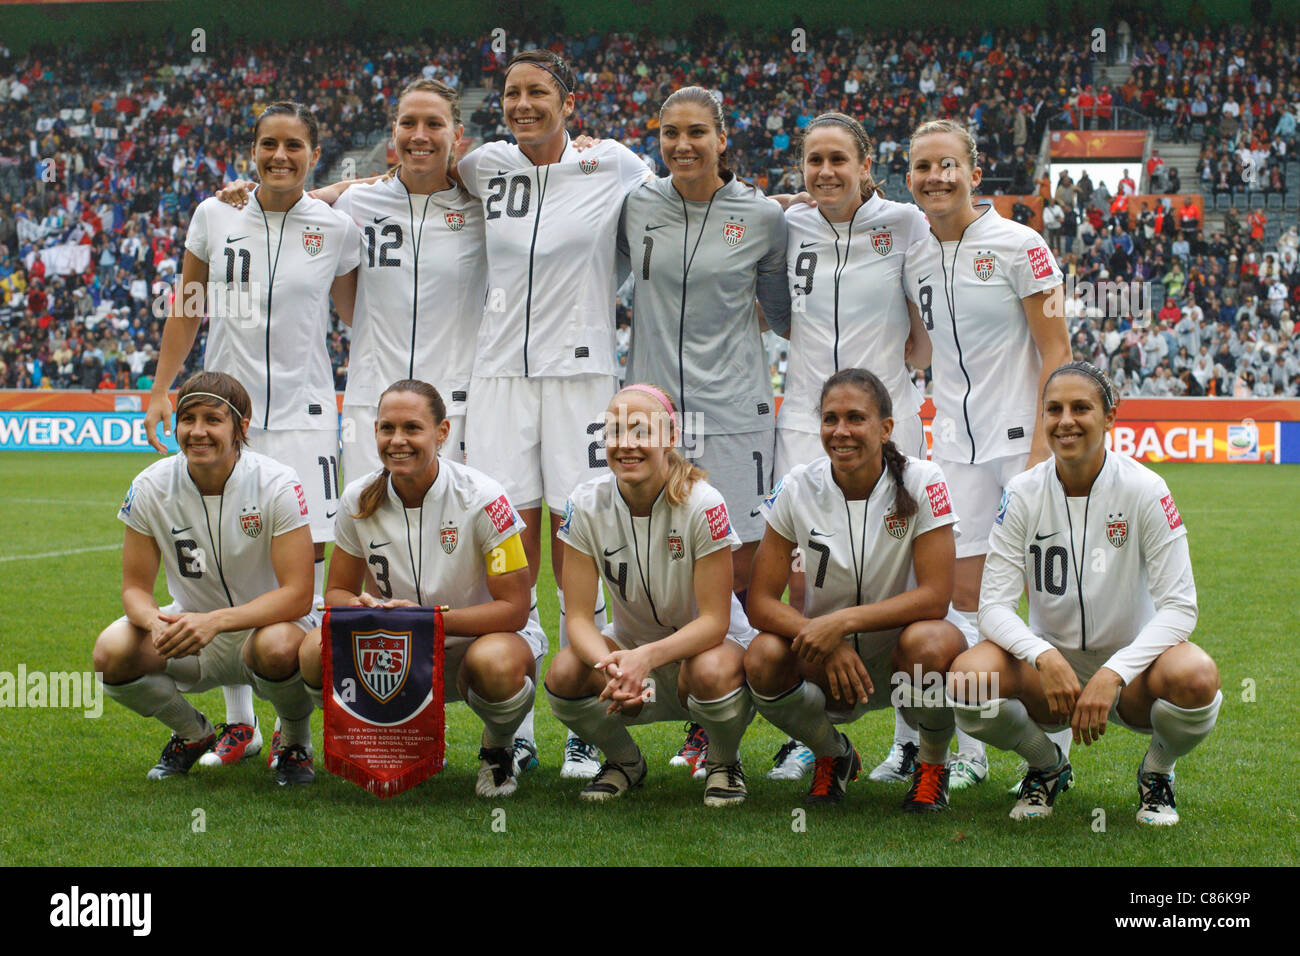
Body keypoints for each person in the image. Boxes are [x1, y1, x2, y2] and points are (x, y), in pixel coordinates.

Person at [453, 50, 653, 777]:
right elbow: (406, 178)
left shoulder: (616, 165)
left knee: (583, 537)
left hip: (583, 376)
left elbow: (684, 202)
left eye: (538, 91)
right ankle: (513, 726)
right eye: (511, 92)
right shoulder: (482, 167)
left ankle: (582, 715)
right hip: (499, 377)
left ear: (569, 102)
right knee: (505, 542)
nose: (522, 103)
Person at [143, 102, 361, 768]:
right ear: (252, 150)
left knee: (308, 568)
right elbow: (187, 309)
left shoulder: (338, 228)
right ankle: (241, 722)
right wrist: (161, 386)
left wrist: (333, 192)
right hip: (228, 420)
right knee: (226, 558)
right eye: (268, 145)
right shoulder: (214, 216)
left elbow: (357, 316)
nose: (279, 157)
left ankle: (296, 730)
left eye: (294, 146)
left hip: (309, 417)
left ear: (313, 152)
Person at [948, 362, 1221, 824]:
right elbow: (992, 607)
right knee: (967, 679)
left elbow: (1179, 607)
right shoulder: (1022, 493)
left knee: (1196, 675)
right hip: (1052, 675)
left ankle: (1157, 772)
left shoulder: (1145, 490)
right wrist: (1044, 657)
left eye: (1081, 408)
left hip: (1133, 671)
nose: (1065, 420)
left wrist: (1114, 672)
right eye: (1053, 409)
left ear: (1110, 417)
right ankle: (1046, 765)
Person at [616, 86, 789, 774]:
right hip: (654, 415)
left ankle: (736, 720)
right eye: (667, 133)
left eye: (695, 132)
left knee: (740, 571)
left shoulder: (765, 216)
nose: (681, 145)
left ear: (723, 138)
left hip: (733, 412)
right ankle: (694, 704)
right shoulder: (637, 205)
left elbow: (779, 311)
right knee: (671, 562)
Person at [902, 118, 1072, 784]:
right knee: (955, 599)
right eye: (923, 167)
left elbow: (1057, 352)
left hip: (1019, 445)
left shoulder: (1021, 244)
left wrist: (1040, 452)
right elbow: (922, 349)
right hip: (953, 448)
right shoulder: (916, 253)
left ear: (974, 171)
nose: (937, 178)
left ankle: (1048, 733)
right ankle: (965, 751)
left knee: (1038, 597)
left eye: (949, 165)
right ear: (908, 175)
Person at [773, 112, 939, 785]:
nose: (826, 173)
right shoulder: (788, 223)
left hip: (886, 425)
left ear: (867, 164)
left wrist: (897, 378)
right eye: (814, 160)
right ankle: (812, 737)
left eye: (839, 159)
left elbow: (927, 331)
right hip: (802, 423)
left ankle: (910, 740)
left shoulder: (905, 225)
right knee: (801, 574)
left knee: (901, 571)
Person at [296, 380, 546, 797]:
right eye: (386, 428)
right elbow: (336, 592)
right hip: (395, 643)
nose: (397, 440)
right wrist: (366, 608)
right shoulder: (357, 499)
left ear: (442, 432)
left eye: (412, 428)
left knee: (497, 665)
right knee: (311, 650)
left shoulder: (484, 498)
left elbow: (514, 609)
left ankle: (498, 749)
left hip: (479, 641)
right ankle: (386, 743)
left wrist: (424, 621)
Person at [745, 368, 975, 810]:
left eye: (856, 418)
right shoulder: (797, 486)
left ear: (886, 428)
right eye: (830, 419)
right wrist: (826, 642)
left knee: (931, 640)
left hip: (902, 655)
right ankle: (832, 753)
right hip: (825, 662)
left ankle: (931, 765)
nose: (841, 431)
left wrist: (841, 624)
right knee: (762, 658)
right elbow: (759, 601)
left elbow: (935, 597)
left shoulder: (924, 480)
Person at [93, 372, 318, 785]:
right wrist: (154, 622)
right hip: (190, 628)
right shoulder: (150, 486)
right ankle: (192, 733)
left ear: (241, 427)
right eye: (188, 419)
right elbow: (134, 589)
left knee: (279, 644)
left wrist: (214, 621)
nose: (198, 431)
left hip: (266, 631)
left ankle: (293, 740)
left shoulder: (276, 482)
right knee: (111, 653)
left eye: (212, 420)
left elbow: (299, 594)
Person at [545, 384, 756, 806]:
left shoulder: (703, 503)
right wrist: (609, 665)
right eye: (616, 431)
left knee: (710, 671)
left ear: (669, 437)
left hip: (712, 652)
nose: (626, 444)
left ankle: (724, 762)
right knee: (566, 671)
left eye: (640, 431)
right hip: (630, 651)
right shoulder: (585, 504)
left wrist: (646, 659)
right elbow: (580, 618)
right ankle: (624, 762)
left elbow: (715, 621)